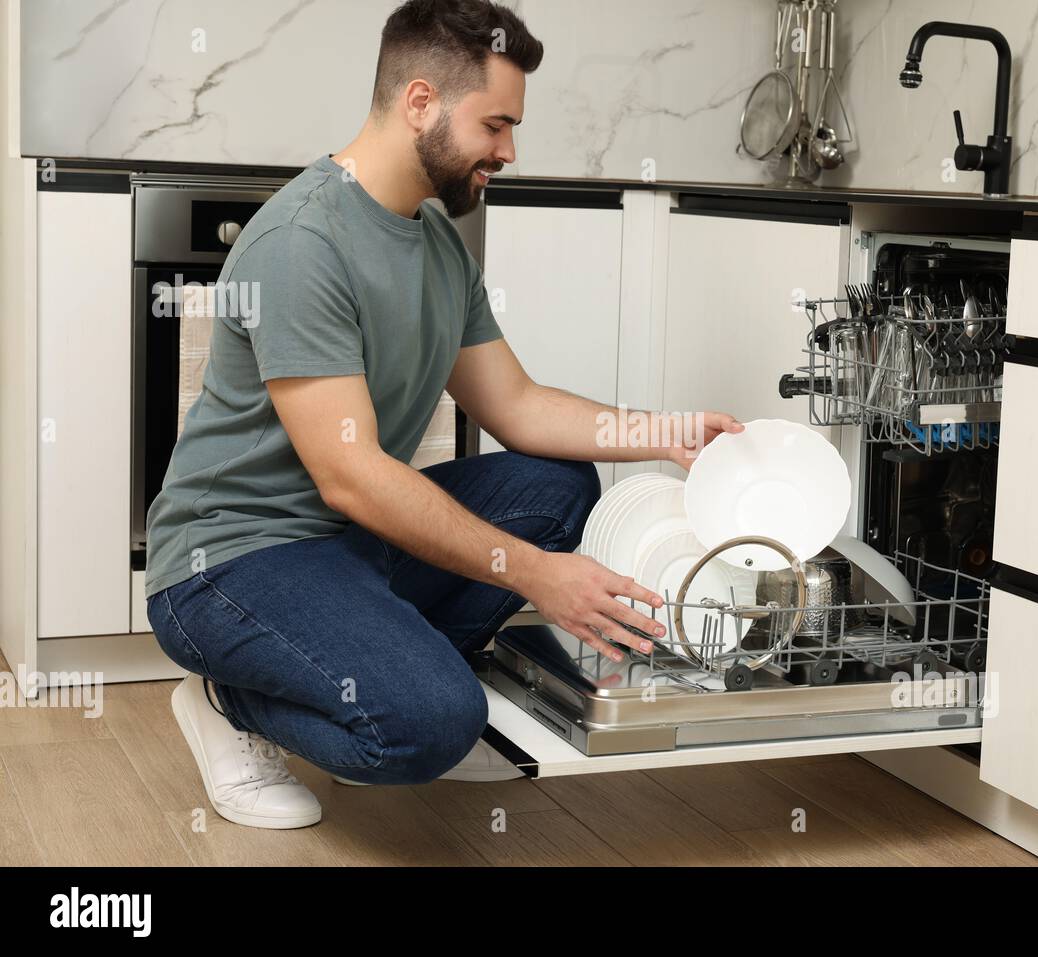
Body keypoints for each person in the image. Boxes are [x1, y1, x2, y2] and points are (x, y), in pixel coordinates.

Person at [143, 0, 744, 830]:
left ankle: (385, 661)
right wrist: (537, 575)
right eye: (496, 124)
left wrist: (664, 432)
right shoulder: (303, 241)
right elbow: (351, 475)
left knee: (557, 483)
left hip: (345, 545)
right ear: (420, 102)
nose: (508, 151)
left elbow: (519, 407)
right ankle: (230, 700)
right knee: (431, 724)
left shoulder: (435, 242)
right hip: (233, 561)